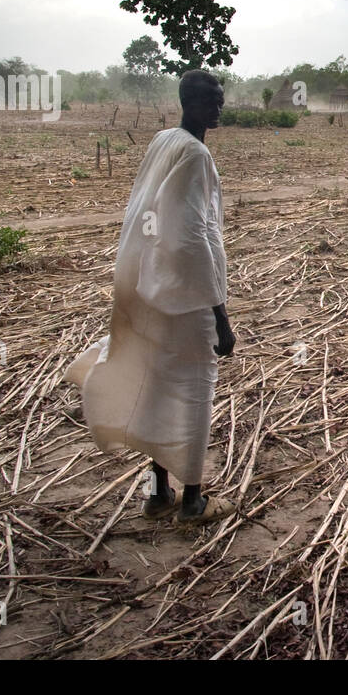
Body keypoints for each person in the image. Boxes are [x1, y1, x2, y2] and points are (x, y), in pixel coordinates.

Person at [65, 69, 237, 524]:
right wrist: (219, 313)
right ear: (189, 102)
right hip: (187, 298)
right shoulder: (195, 153)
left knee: (159, 387)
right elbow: (189, 238)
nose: (218, 107)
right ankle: (194, 501)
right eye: (210, 100)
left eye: (220, 99)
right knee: (195, 390)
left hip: (153, 288)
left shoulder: (166, 140)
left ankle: (159, 493)